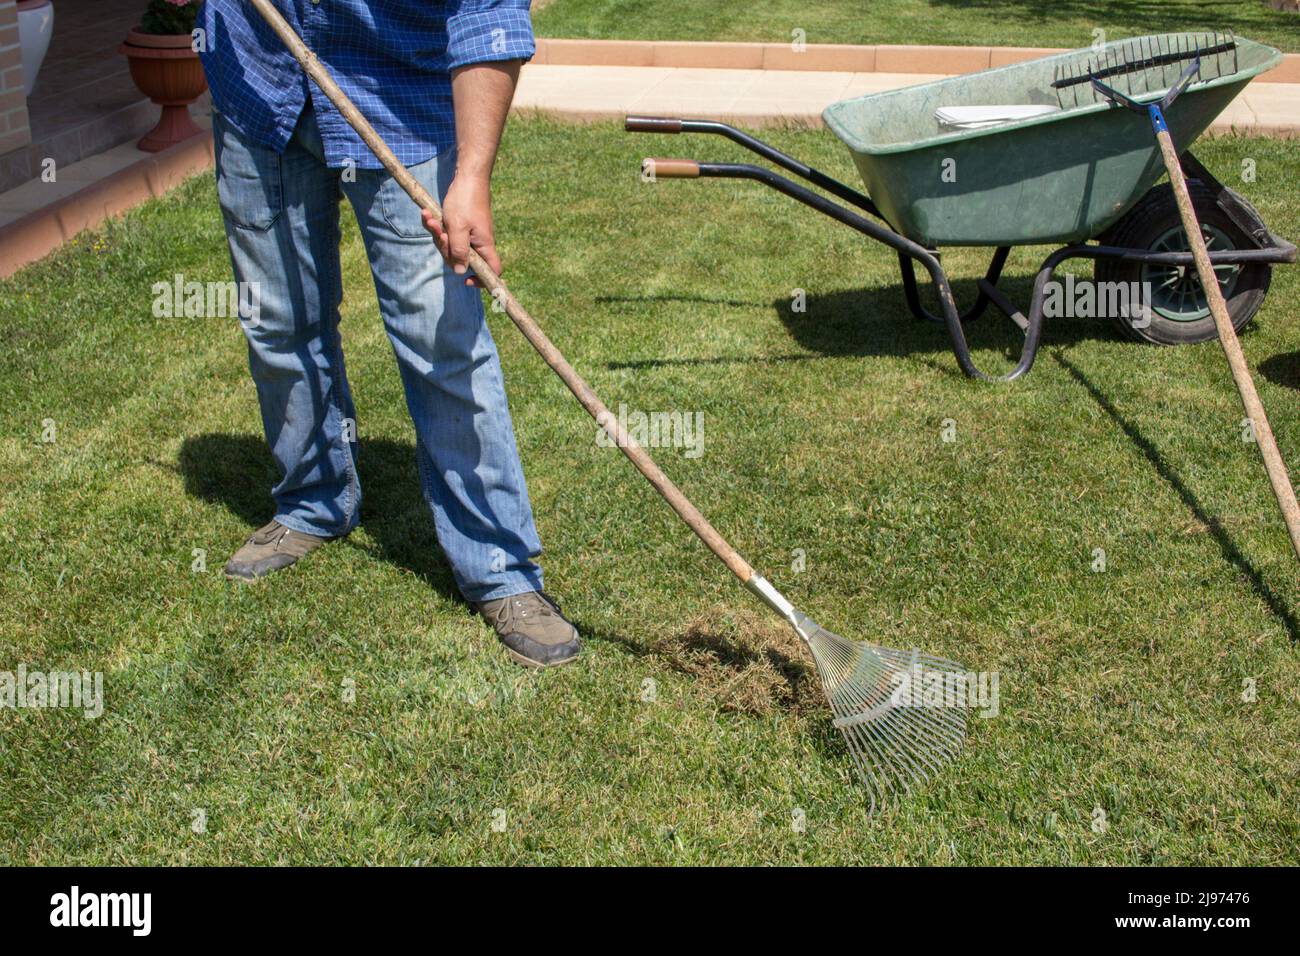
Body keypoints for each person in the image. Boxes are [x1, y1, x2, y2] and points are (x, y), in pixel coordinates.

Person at [197, 0, 579, 668]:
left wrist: (472, 176)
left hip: (399, 96)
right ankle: (312, 501)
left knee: (443, 343)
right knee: (280, 320)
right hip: (259, 84)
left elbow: (487, 16)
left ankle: (499, 569)